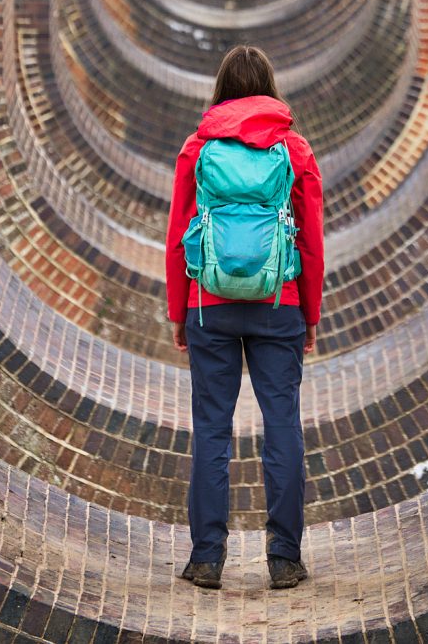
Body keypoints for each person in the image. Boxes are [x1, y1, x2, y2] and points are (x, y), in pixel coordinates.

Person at [165, 44, 324, 590]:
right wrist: (311, 313)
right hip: (279, 304)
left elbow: (176, 233)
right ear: (270, 89)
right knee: (282, 426)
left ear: (221, 89)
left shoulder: (198, 147)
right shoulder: (294, 149)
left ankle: (207, 558)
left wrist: (177, 311)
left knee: (212, 429)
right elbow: (313, 237)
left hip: (208, 304)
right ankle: (284, 557)